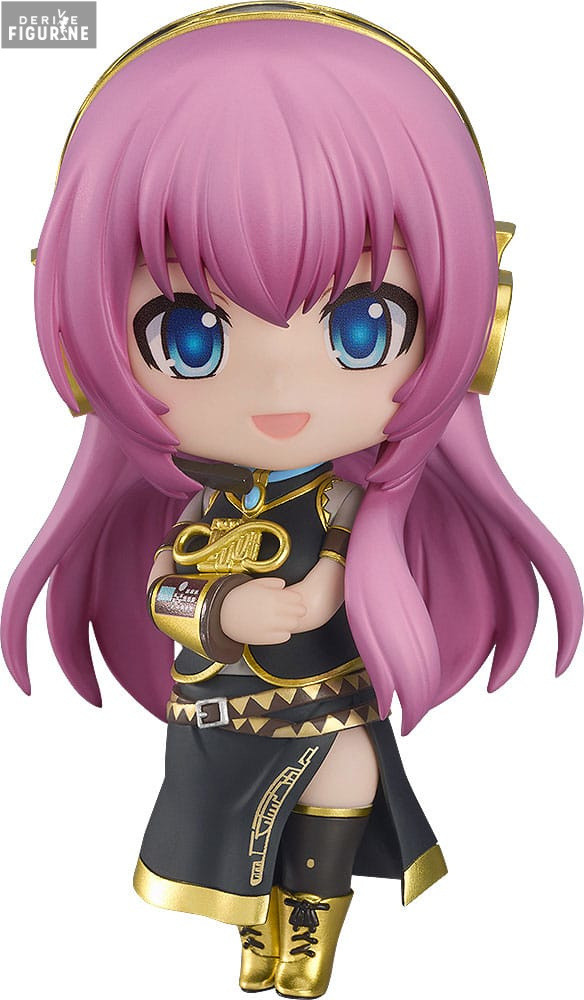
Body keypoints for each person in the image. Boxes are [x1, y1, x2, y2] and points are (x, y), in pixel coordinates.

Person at [2, 5, 581, 998]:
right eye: (190, 337)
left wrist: (326, 591)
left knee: (349, 771)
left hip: (322, 687)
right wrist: (222, 611)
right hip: (223, 698)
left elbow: (334, 575)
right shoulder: (201, 511)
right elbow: (163, 585)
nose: (281, 388)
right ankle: (260, 925)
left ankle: (309, 926)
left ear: (479, 325)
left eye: (363, 326)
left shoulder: (351, 503)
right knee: (235, 817)